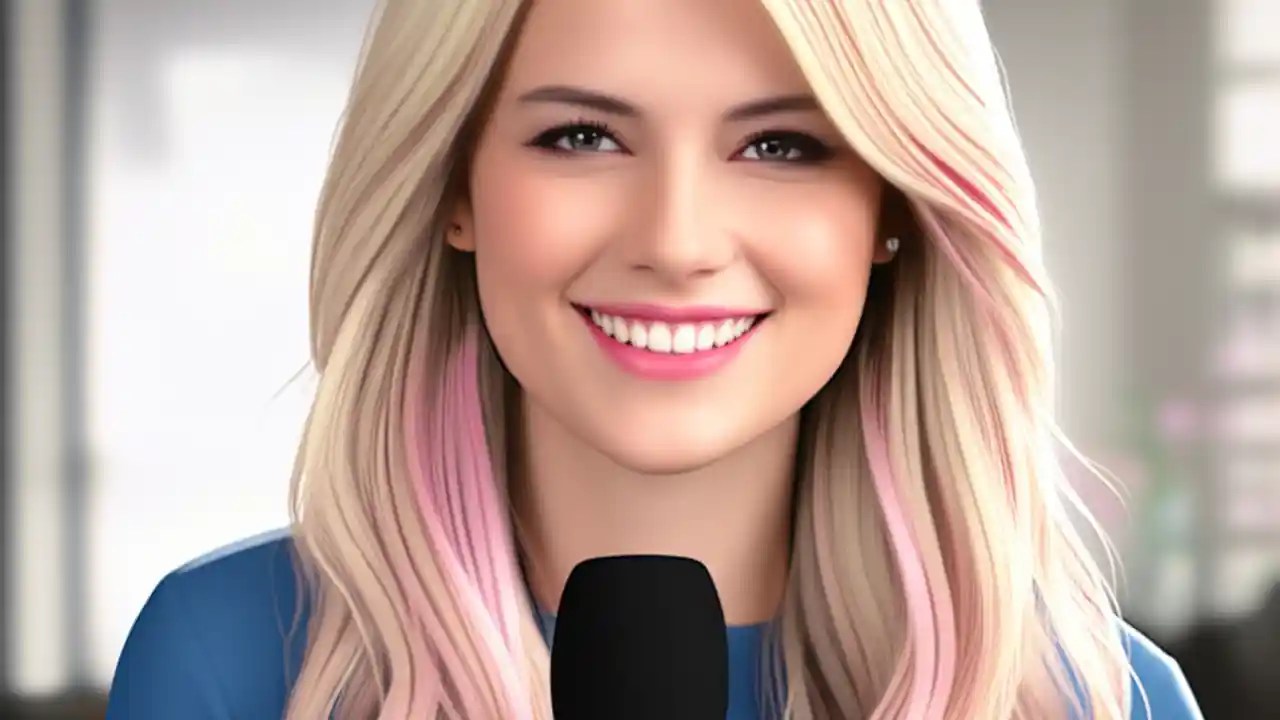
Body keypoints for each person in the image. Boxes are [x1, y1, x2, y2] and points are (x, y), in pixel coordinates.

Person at [104, 0, 1205, 718]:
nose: (675, 241)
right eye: (580, 137)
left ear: (892, 210)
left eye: (780, 146)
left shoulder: (1098, 698)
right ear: (452, 189)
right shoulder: (234, 661)